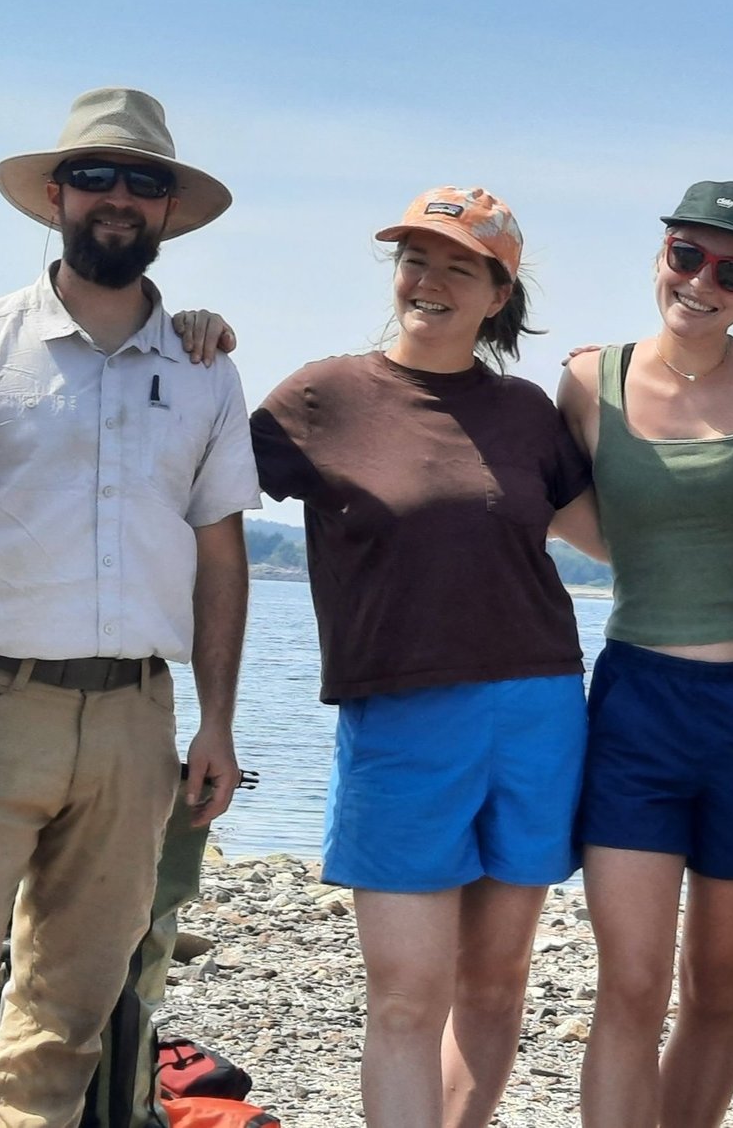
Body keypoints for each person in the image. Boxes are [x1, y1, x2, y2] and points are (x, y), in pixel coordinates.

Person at [0, 86, 260, 1127]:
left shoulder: (208, 371)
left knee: (74, 1012)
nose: (117, 198)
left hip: (137, 719)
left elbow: (221, 561)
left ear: (170, 208)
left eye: (143, 181)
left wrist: (217, 720)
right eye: (95, 176)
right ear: (55, 195)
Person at [249, 186, 598, 1128]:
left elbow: (617, 538)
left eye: (459, 265)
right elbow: (193, 486)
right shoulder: (324, 396)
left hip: (539, 707)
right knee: (406, 997)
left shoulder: (528, 413)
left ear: (499, 293)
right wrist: (188, 349)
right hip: (401, 716)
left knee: (497, 985)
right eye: (415, 258)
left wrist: (646, 402)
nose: (429, 279)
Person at [555, 180, 733, 1128]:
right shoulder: (588, 380)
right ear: (660, 255)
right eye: (685, 255)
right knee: (629, 985)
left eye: (730, 268)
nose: (701, 281)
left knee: (718, 987)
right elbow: (542, 495)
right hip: (638, 706)